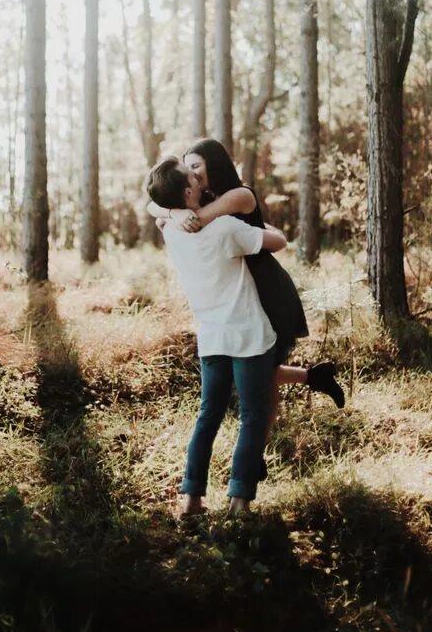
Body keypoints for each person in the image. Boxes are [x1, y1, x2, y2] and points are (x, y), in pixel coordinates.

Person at [148, 137, 345, 423]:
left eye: (196, 166)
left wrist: (173, 213)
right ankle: (313, 378)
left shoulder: (238, 195)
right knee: (256, 369)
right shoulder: (209, 198)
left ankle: (262, 441)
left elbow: (196, 222)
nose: (192, 174)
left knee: (261, 372)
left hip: (266, 287)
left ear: (213, 164)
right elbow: (153, 206)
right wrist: (170, 211)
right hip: (242, 288)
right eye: (188, 168)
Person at [146, 156, 285, 518]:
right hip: (248, 334)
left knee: (208, 415)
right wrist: (257, 223)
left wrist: (173, 212)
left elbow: (154, 207)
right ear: (188, 192)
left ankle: (192, 500)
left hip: (211, 336)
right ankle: (239, 502)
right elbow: (279, 241)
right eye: (191, 176)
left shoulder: (171, 230)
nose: (197, 176)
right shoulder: (225, 229)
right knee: (253, 415)